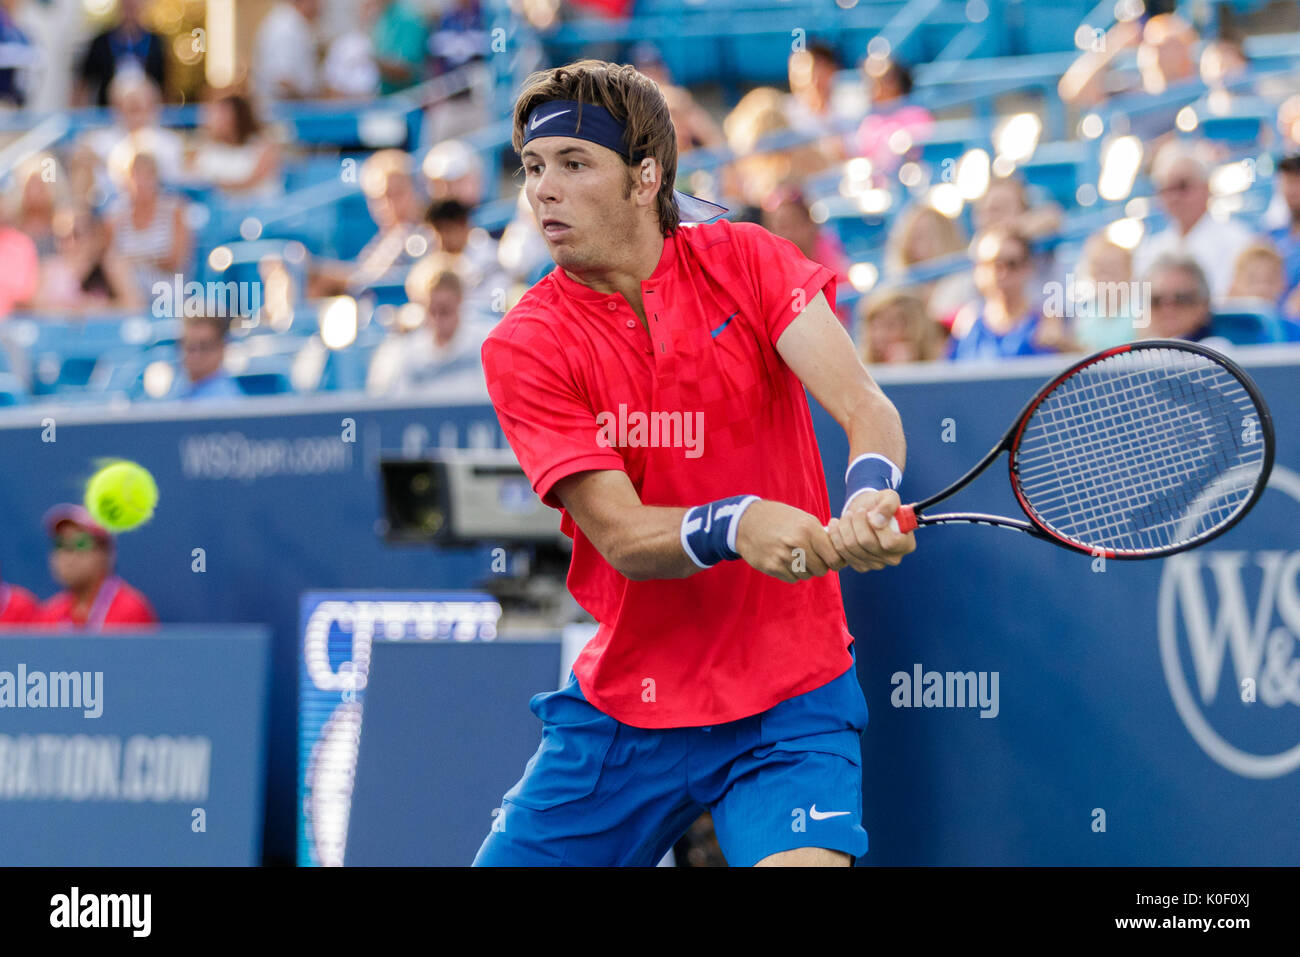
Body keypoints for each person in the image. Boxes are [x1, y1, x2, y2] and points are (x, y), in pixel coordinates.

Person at [473, 59, 914, 868]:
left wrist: (870, 495)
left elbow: (866, 411)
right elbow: (624, 536)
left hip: (790, 697)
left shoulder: (748, 260)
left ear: (646, 178)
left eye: (574, 164)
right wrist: (739, 523)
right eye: (534, 168)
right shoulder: (525, 345)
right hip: (626, 711)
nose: (543, 190)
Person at [1134, 142, 1255, 300]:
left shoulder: (1239, 242)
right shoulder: (1151, 250)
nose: (1174, 197)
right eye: (1165, 189)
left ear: (1206, 188)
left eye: (1183, 186)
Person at [366, 257, 485, 395]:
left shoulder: (484, 343)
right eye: (433, 311)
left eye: (445, 310)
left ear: (459, 300)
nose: (439, 318)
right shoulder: (407, 353)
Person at [948, 228, 1070, 360]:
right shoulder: (965, 325)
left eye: (1012, 264)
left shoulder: (1049, 325)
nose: (1002, 273)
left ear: (1027, 268)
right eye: (992, 264)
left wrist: (1063, 346)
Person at [34, 504, 157, 630]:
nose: (68, 555)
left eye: (81, 544)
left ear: (105, 554)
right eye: (59, 544)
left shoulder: (129, 610)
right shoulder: (51, 613)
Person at [106, 148, 193, 303]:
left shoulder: (175, 210)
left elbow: (176, 261)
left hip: (168, 289)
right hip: (129, 289)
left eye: (147, 176)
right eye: (135, 176)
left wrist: (138, 260)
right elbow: (110, 260)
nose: (141, 183)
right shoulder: (117, 214)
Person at [759, 184, 852, 326]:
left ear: (810, 225)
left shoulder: (835, 266)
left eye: (794, 224)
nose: (788, 234)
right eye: (780, 226)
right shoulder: (766, 275)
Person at [33, 207, 141, 315]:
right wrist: (67, 308)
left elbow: (134, 304)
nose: (69, 242)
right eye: (62, 236)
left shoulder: (110, 266)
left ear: (93, 236)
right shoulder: (49, 268)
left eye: (76, 234)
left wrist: (99, 307)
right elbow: (34, 307)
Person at [183, 91, 283, 200]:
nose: (215, 120)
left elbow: (252, 182)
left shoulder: (264, 146)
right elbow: (189, 176)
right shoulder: (204, 147)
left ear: (238, 117)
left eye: (222, 115)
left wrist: (213, 185)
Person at [75, 0, 167, 107]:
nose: (131, 8)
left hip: (145, 114)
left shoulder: (155, 42)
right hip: (108, 114)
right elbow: (83, 83)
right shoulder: (101, 42)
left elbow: (163, 86)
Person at [253, 0, 321, 103]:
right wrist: (312, 102)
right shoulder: (286, 28)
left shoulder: (293, 23)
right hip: (285, 110)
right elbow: (282, 79)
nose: (321, 6)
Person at [1139, 254, 1215, 342]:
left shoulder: (1217, 350)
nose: (1167, 309)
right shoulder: (1138, 352)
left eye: (1180, 299)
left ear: (1203, 304)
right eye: (1156, 300)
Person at [856, 287, 942, 363]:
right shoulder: (858, 370)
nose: (878, 335)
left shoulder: (944, 366)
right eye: (874, 326)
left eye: (890, 326)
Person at [179, 315, 243, 400]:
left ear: (221, 348)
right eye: (190, 348)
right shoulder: (178, 388)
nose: (196, 356)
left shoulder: (226, 401)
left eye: (204, 348)